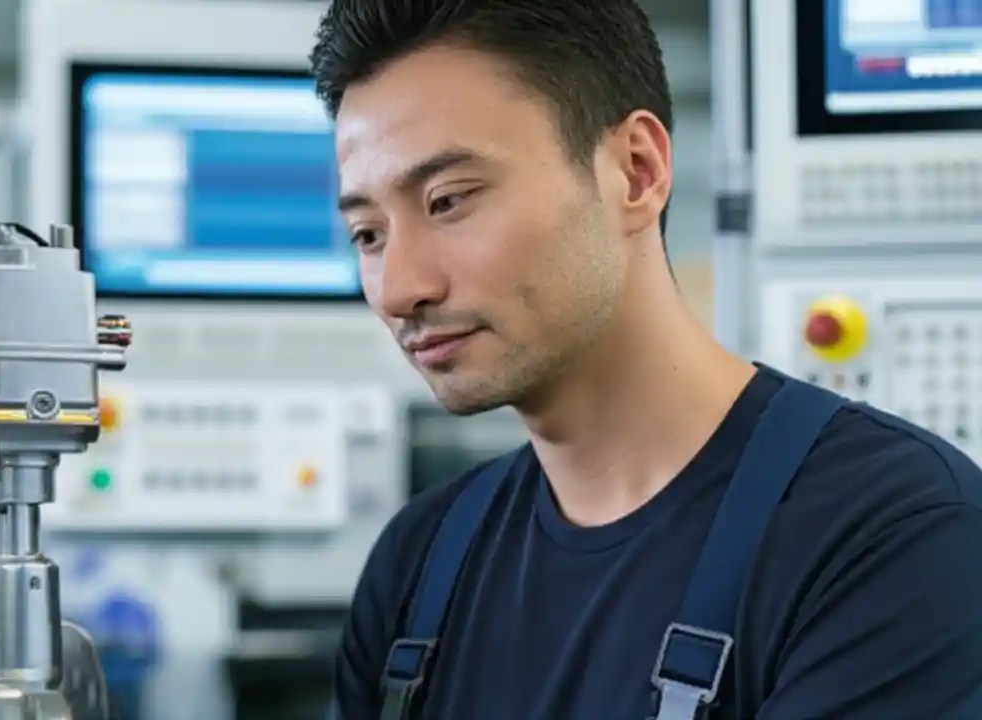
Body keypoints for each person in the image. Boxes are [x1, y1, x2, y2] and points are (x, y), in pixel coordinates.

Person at [307, 0, 982, 717]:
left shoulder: (895, 539)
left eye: (448, 201)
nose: (403, 288)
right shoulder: (419, 566)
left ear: (636, 171)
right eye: (368, 234)